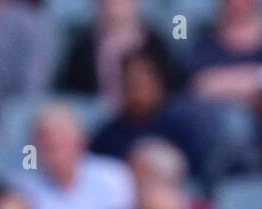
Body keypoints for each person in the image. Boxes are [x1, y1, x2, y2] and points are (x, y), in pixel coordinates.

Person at [56, 0, 181, 106]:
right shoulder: (82, 49)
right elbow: (68, 95)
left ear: (136, 0)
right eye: (106, 0)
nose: (113, 8)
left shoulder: (157, 47)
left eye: (119, 0)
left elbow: (172, 92)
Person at [16, 103, 136, 209]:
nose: (53, 142)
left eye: (60, 136)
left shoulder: (113, 175)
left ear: (80, 140)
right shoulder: (23, 191)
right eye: (44, 138)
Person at [89, 47, 207, 181]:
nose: (139, 90)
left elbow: (194, 176)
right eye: (132, 83)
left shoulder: (180, 130)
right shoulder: (107, 136)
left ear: (159, 84)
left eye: (144, 82)